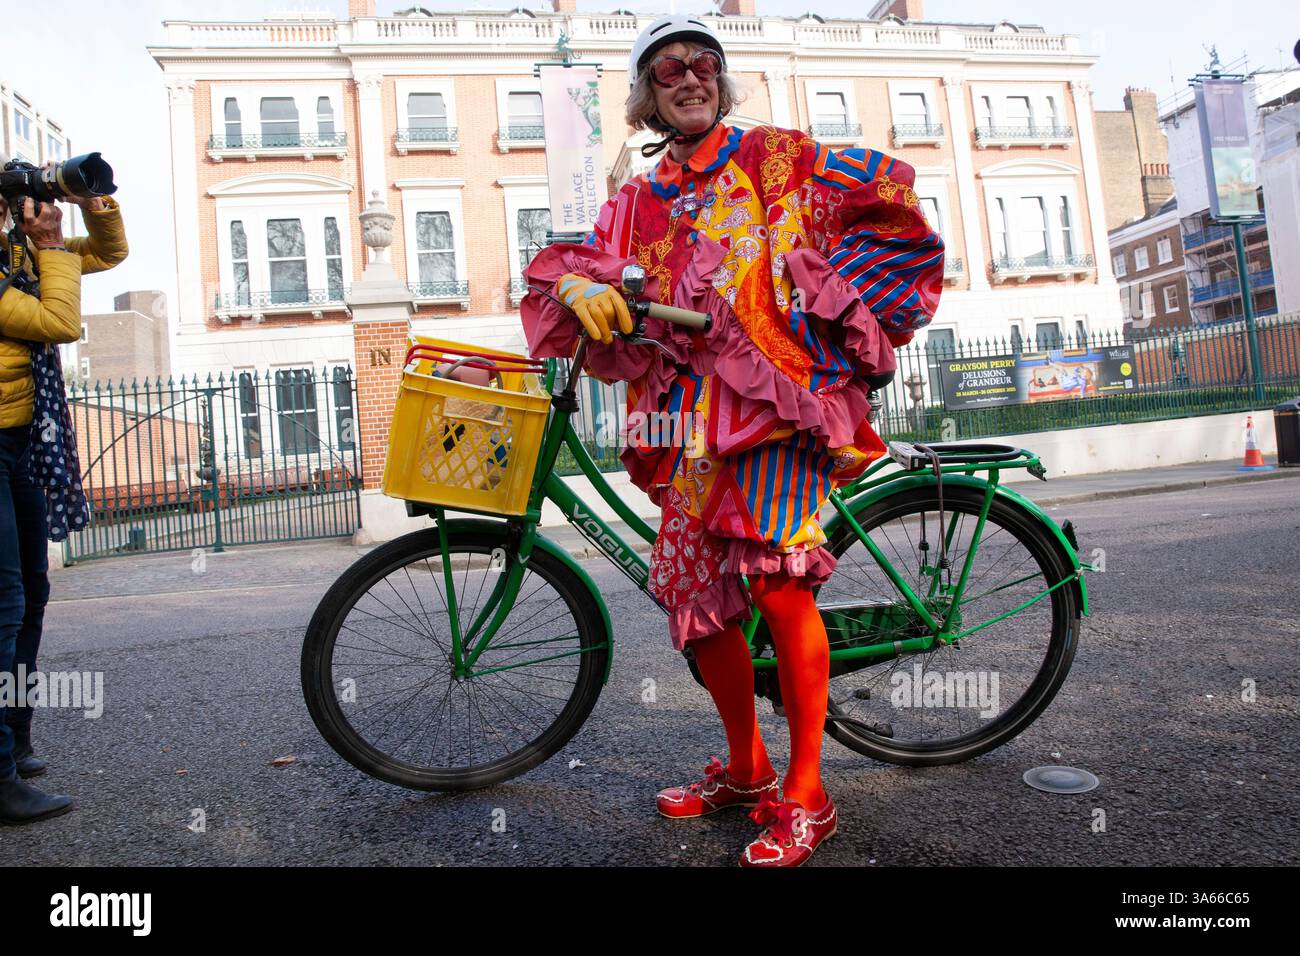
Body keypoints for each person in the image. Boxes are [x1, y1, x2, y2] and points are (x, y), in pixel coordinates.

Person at [521, 15, 943, 866]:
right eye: (670, 68)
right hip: (687, 422)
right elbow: (574, 265)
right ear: (647, 93)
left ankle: (809, 792)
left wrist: (814, 303)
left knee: (782, 592)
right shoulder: (636, 202)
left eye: (703, 64)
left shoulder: (777, 157)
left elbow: (893, 203)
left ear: (720, 78)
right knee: (696, 599)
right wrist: (574, 282)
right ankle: (748, 769)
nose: (689, 77)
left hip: (774, 409)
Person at [0, 158, 128, 824]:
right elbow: (58, 322)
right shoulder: (19, 264)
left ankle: (15, 740)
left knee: (30, 593)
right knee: (6, 598)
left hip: (18, 440)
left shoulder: (18, 253)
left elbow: (110, 252)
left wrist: (91, 199)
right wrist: (50, 248)